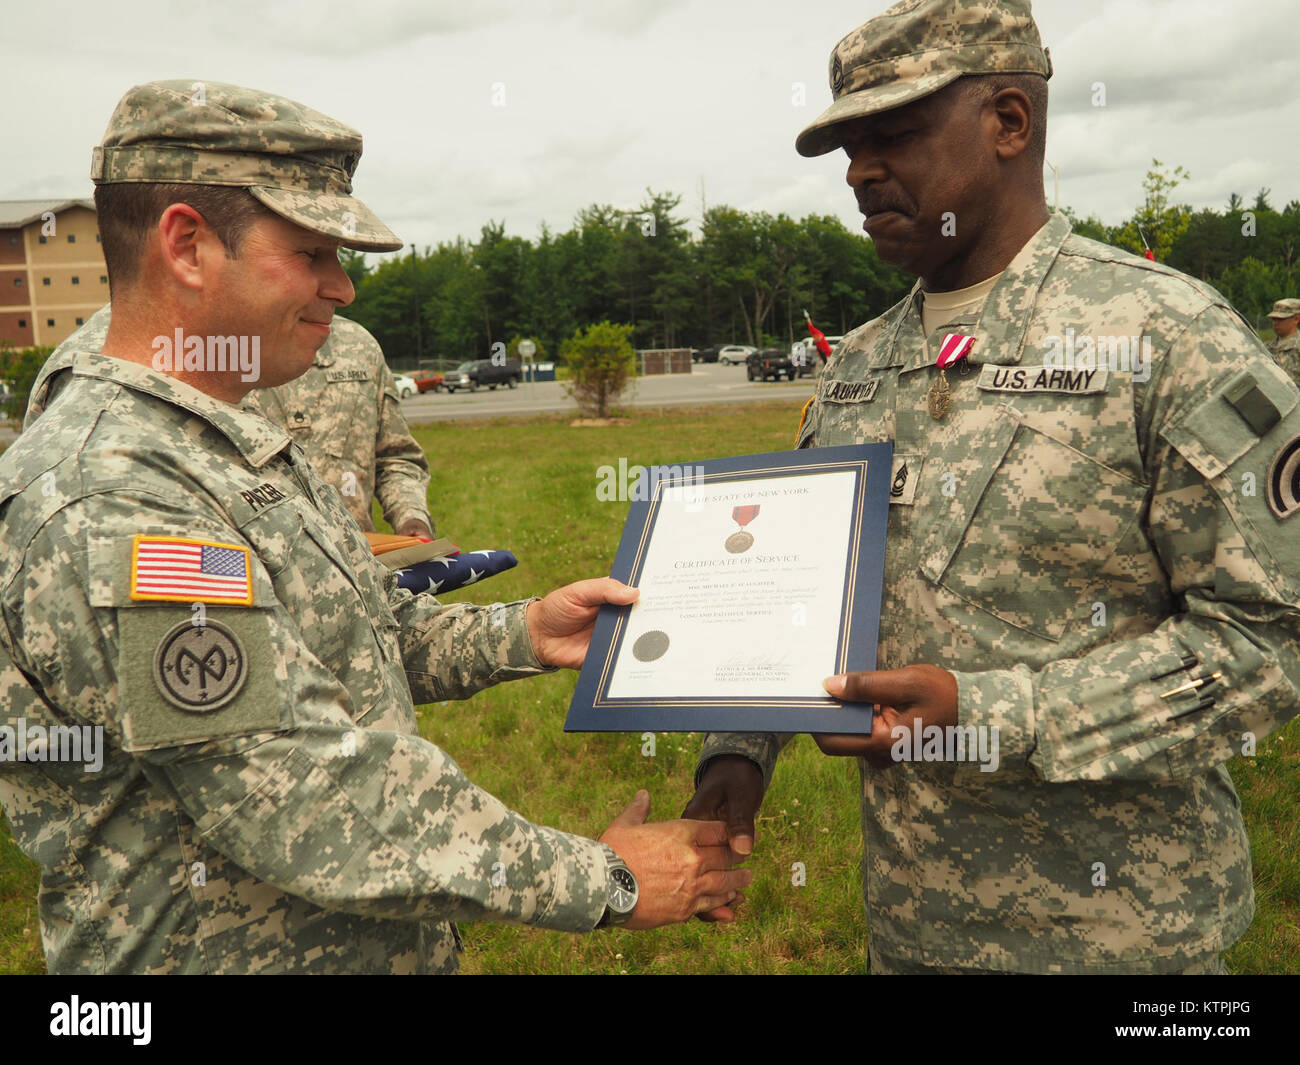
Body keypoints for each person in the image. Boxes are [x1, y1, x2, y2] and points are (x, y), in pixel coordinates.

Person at [0, 79, 749, 974]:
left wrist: (521, 632)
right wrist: (606, 879)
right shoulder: (115, 495)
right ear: (188, 244)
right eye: (313, 251)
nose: (342, 285)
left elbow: (343, 643)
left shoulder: (224, 437)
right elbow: (302, 790)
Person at [686, 0, 1300, 973]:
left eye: (890, 134)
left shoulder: (1169, 340)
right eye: (846, 147)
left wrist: (987, 713)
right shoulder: (856, 369)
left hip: (1124, 944)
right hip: (915, 929)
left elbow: (1267, 645)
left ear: (1008, 122)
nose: (857, 172)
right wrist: (735, 753)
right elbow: (795, 598)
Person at [34, 308, 434, 539]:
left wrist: (411, 517)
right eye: (306, 252)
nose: (340, 286)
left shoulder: (356, 345)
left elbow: (396, 455)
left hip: (356, 587)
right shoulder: (130, 351)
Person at [1266, 297, 1300, 387]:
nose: (1276, 323)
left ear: (1296, 319)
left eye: (1281, 319)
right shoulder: (1267, 348)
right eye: (1274, 319)